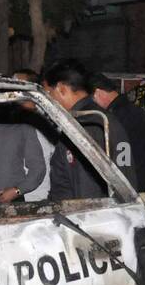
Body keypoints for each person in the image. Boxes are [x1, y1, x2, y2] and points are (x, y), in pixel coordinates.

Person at [41, 59, 132, 201]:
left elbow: (87, 192)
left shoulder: (84, 126)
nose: (46, 101)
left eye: (48, 92)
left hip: (94, 218)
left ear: (61, 89)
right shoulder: (101, 118)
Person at [90, 74, 145, 192]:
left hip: (129, 193)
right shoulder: (132, 112)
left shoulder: (117, 117)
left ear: (97, 93)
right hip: (137, 188)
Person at [12, 68, 54, 201]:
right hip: (21, 192)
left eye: (16, 84)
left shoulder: (45, 119)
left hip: (40, 194)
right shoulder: (15, 118)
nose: (11, 89)